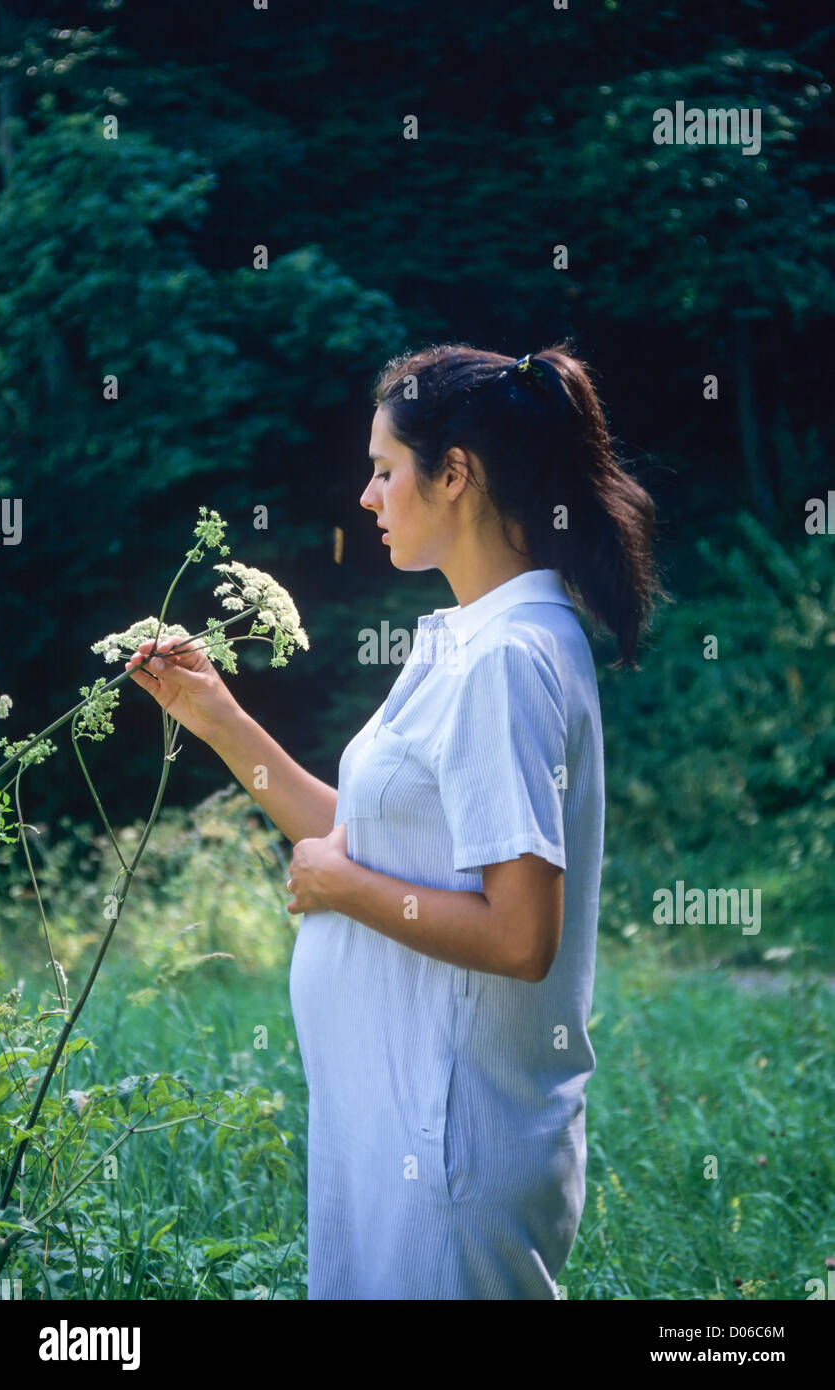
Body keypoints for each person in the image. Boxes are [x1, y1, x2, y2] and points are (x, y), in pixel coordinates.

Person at [125, 341, 667, 1299]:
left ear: (454, 474)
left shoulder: (508, 658)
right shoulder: (465, 639)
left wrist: (341, 887)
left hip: (450, 1140)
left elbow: (519, 932)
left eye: (384, 470)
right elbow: (370, 832)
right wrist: (217, 719)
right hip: (398, 1123)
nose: (367, 497)